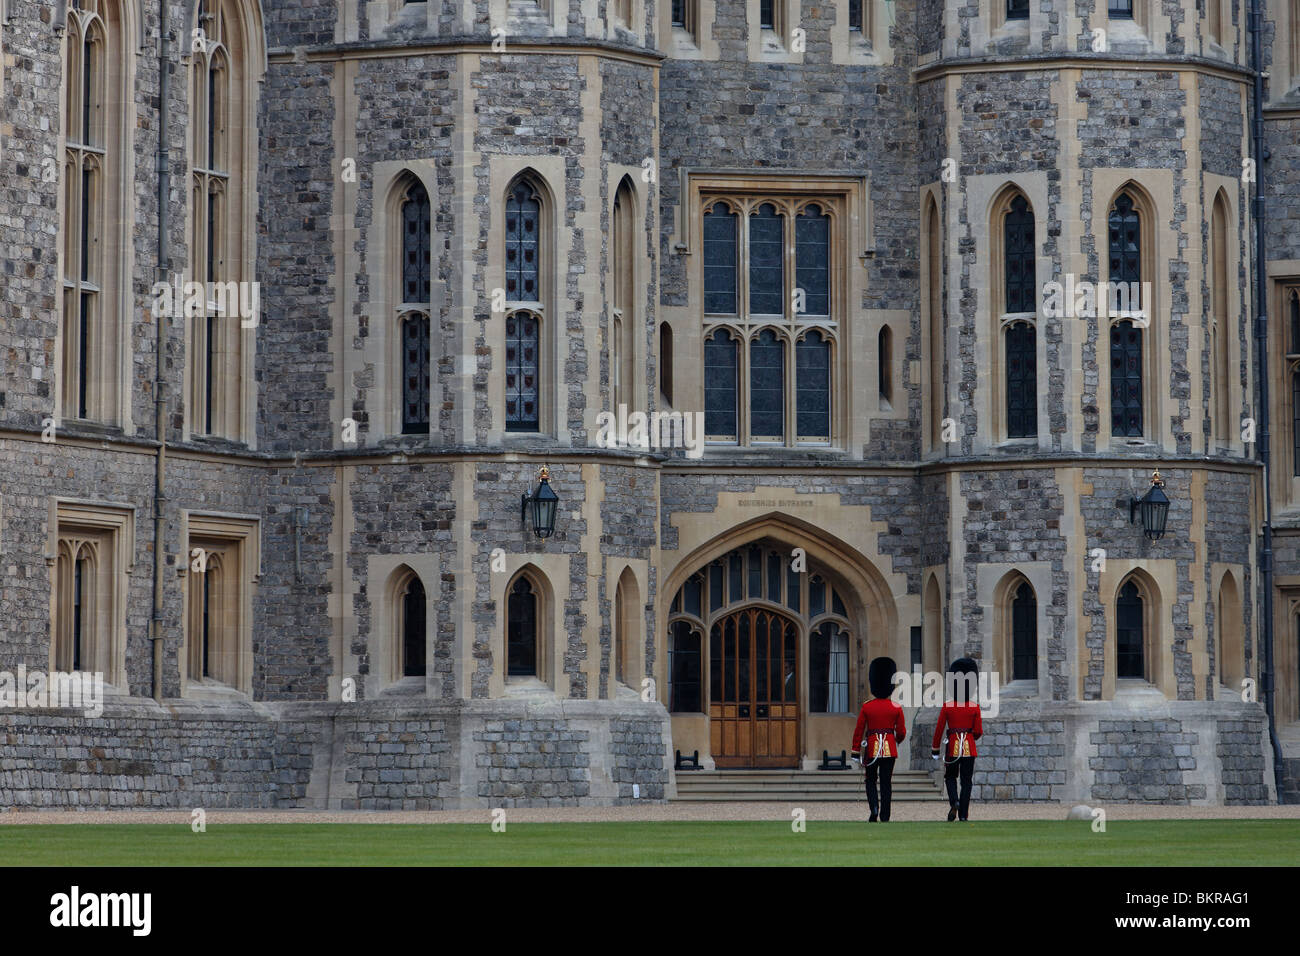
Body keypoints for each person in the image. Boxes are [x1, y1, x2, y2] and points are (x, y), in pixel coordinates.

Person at [851, 656, 906, 822]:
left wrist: (855, 751)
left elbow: (859, 730)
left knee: (870, 780)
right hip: (889, 747)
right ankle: (885, 815)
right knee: (886, 783)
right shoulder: (896, 707)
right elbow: (901, 732)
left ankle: (874, 807)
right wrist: (896, 740)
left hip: (872, 747)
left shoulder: (867, 706)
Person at [931, 657, 982, 822]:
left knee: (950, 777)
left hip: (952, 745)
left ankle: (954, 801)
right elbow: (978, 731)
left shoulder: (948, 706)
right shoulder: (974, 707)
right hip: (968, 746)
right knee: (967, 781)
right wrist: (969, 736)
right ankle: (964, 815)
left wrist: (935, 749)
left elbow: (939, 730)